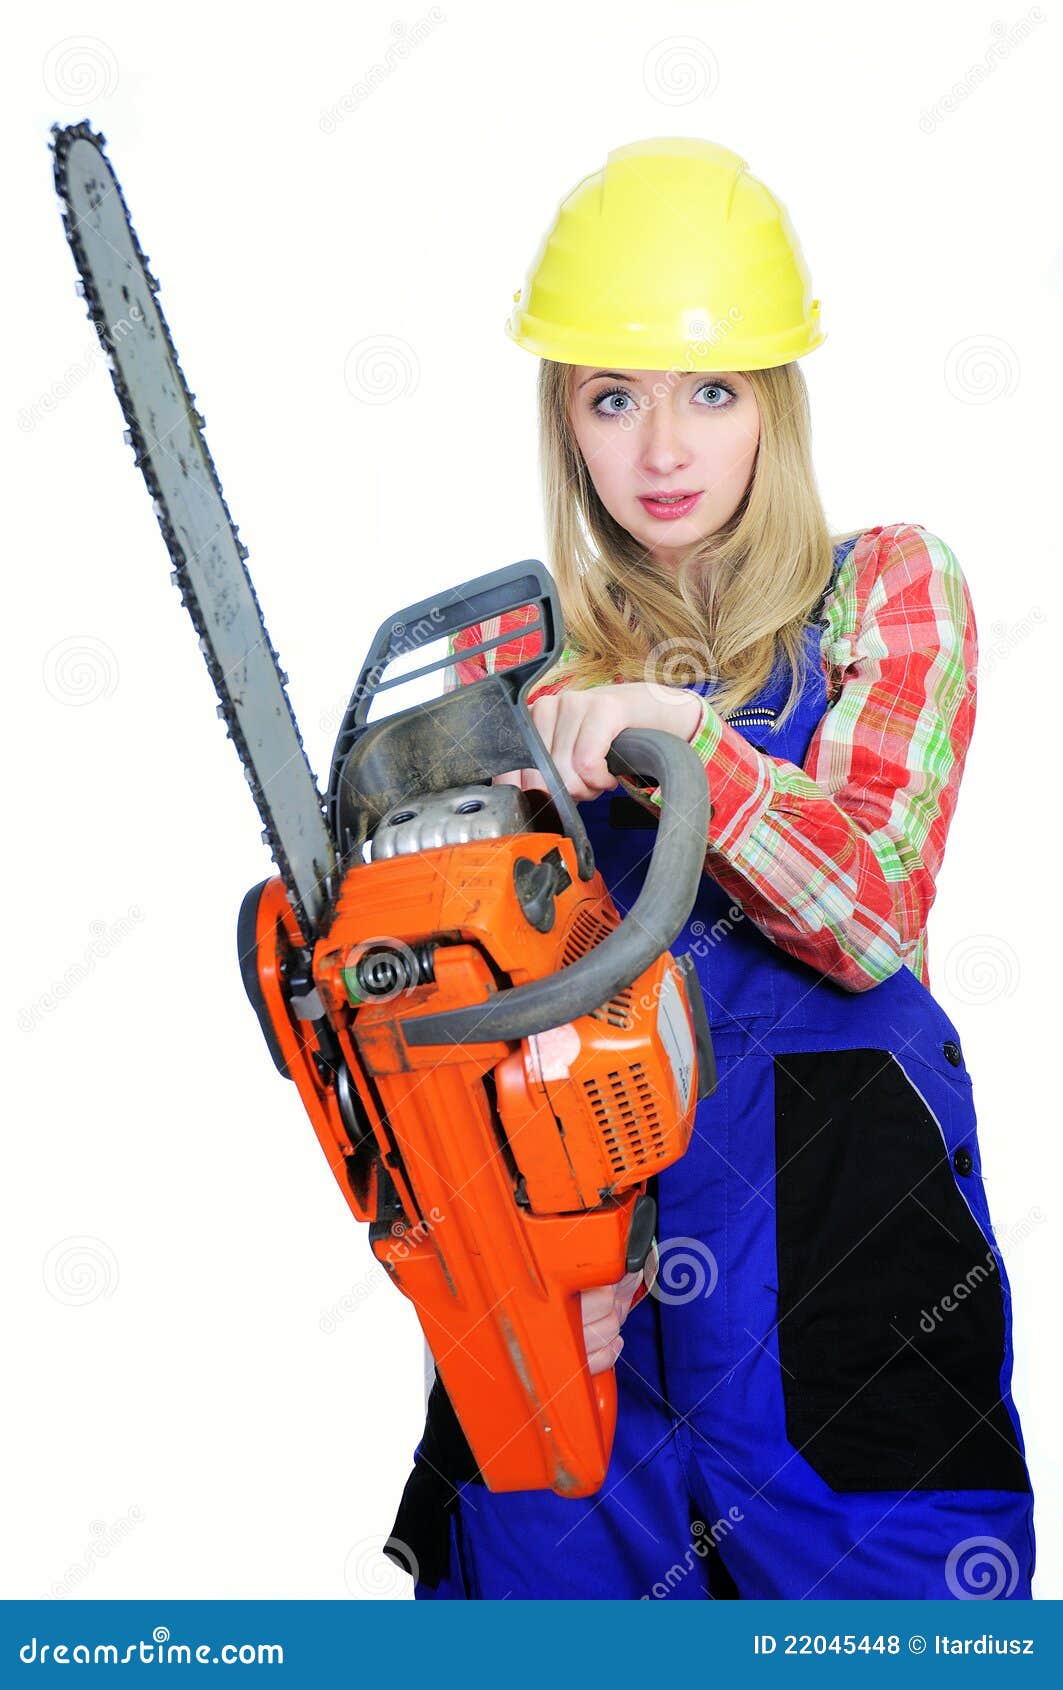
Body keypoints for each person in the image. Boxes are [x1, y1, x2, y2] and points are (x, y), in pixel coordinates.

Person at [383, 136, 1036, 1600]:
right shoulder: (514, 670)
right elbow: (439, 1044)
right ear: (566, 419)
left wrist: (678, 736)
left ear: (775, 403)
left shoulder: (888, 592)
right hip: (586, 1346)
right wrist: (511, 1273)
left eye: (712, 392)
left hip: (841, 1313)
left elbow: (870, 912)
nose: (662, 451)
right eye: (614, 398)